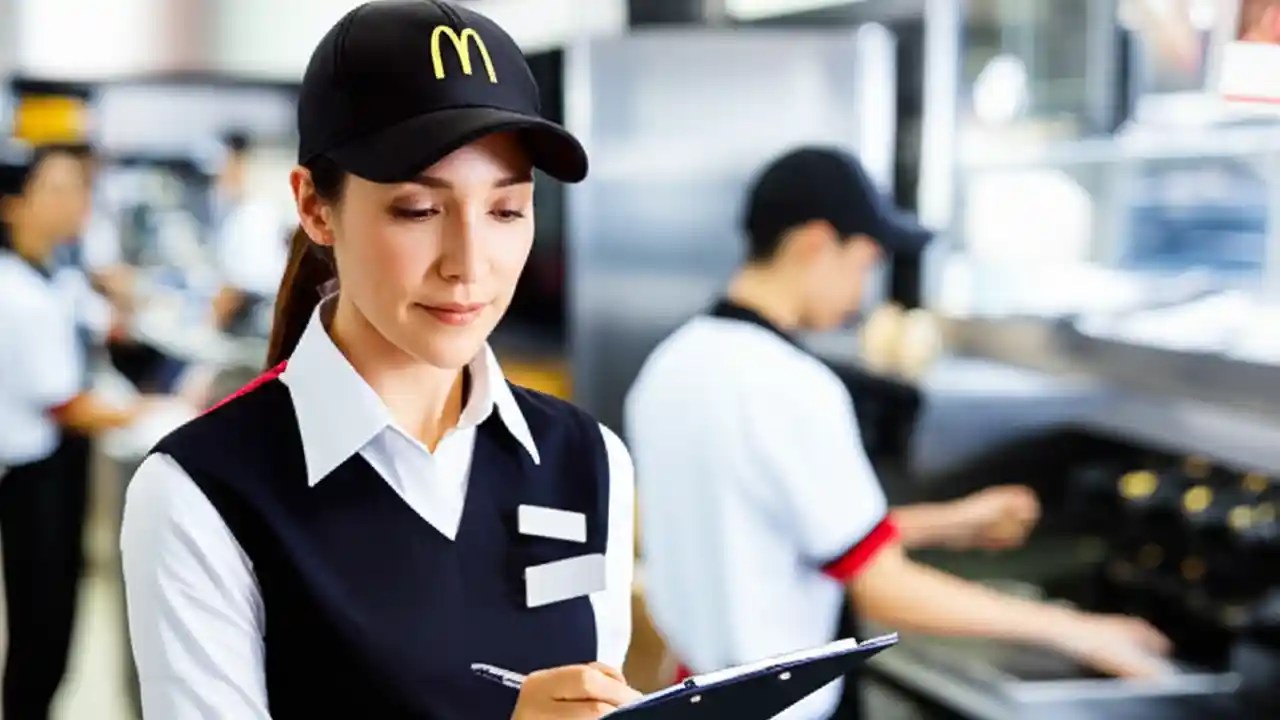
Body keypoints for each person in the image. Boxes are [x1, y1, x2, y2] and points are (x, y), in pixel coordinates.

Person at [120, 2, 639, 718]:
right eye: (420, 211)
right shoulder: (204, 492)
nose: (469, 266)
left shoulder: (589, 461)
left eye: (507, 211)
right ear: (314, 208)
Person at [624, 147, 1174, 720]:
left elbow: (762, 531)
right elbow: (883, 588)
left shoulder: (673, 364)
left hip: (696, 695)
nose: (864, 292)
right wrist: (1077, 630)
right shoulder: (789, 385)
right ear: (816, 242)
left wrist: (955, 523)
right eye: (864, 263)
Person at [0, 143, 146, 719]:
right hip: (33, 473)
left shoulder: (57, 271)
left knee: (58, 617)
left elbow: (104, 326)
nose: (76, 202)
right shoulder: (15, 293)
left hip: (62, 461)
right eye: (57, 189)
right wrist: (157, 411)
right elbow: (68, 404)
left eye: (79, 187)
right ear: (14, 205)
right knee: (40, 624)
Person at [209, 130, 290, 334]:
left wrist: (216, 314)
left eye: (225, 170)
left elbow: (250, 281)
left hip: (255, 315)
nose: (220, 181)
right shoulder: (235, 212)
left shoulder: (257, 214)